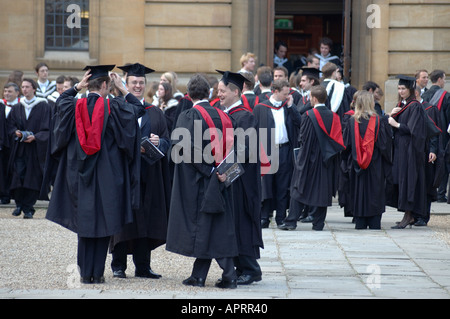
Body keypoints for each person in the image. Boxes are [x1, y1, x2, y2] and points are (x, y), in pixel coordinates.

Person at [45, 65, 146, 284]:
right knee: (103, 222)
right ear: (104, 85)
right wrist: (122, 88)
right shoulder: (116, 107)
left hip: (80, 176)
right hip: (108, 177)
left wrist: (75, 88)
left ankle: (85, 274)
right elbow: (138, 108)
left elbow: (60, 102)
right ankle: (98, 274)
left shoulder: (74, 105)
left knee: (84, 222)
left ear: (87, 85)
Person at [166, 73, 238, 289]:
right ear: (209, 93)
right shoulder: (223, 115)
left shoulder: (189, 115)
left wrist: (209, 171)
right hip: (221, 178)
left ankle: (230, 274)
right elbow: (236, 149)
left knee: (209, 227)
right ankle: (199, 276)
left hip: (200, 182)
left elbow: (185, 149)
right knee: (213, 226)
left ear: (188, 94)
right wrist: (225, 172)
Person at [109, 63, 170, 280]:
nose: (137, 85)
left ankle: (143, 266)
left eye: (141, 83)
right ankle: (118, 265)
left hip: (148, 175)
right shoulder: (116, 107)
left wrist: (159, 142)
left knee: (145, 221)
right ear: (125, 84)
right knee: (122, 220)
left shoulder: (155, 113)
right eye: (133, 82)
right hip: (123, 175)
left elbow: (167, 140)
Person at [217, 70, 263, 285]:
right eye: (218, 91)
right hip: (229, 178)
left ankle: (251, 269)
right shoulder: (224, 112)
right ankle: (239, 266)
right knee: (232, 223)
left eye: (223, 91)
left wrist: (226, 173)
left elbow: (243, 151)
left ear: (236, 91)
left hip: (242, 180)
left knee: (242, 221)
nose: (219, 95)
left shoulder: (245, 116)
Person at [278, 86, 345, 231]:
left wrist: (301, 161)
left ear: (314, 99)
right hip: (327, 160)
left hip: (309, 159)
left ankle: (291, 222)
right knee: (323, 190)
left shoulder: (309, 115)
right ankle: (318, 224)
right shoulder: (335, 116)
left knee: (298, 188)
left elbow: (304, 139)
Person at [253, 79, 301, 228]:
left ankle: (281, 217)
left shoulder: (287, 107)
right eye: (285, 94)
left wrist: (291, 106)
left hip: (284, 150)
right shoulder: (261, 107)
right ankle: (264, 217)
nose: (287, 96)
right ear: (275, 91)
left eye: (289, 94)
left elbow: (299, 122)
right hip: (267, 151)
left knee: (283, 185)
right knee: (266, 184)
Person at [340, 91, 392, 229]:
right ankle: (374, 221)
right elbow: (384, 146)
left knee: (358, 191)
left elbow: (346, 146)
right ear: (371, 103)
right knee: (375, 190)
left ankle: (360, 221)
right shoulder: (379, 121)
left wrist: (347, 159)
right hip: (375, 164)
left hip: (356, 164)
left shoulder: (352, 121)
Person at [387, 75, 428, 229]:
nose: (401, 91)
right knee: (400, 180)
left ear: (411, 90)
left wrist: (395, 123)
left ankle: (409, 215)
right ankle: (407, 214)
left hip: (410, 151)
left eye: (403, 88)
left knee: (408, 181)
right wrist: (392, 114)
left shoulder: (415, 106)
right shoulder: (402, 105)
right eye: (399, 88)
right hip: (401, 149)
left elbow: (413, 130)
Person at [8, 78, 50, 219]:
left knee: (32, 177)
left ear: (34, 88)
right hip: (19, 148)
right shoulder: (17, 107)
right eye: (23, 87)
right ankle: (19, 204)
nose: (24, 89)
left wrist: (36, 137)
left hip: (35, 150)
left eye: (27, 87)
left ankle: (28, 207)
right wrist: (16, 133)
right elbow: (11, 126)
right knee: (17, 175)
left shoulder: (43, 106)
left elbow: (47, 128)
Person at [422, 70, 450, 203]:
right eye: (444, 79)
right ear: (439, 79)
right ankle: (440, 193)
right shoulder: (446, 96)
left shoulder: (425, 95)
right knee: (442, 163)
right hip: (441, 133)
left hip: (426, 134)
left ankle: (429, 190)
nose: (444, 82)